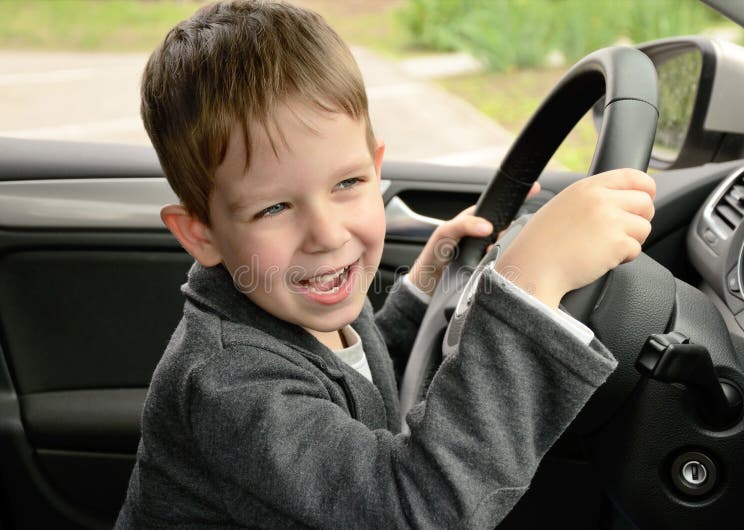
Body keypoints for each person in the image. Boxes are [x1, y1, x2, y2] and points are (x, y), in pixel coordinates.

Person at [116, 1, 656, 528]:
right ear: (201, 234)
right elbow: (415, 509)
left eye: (347, 183)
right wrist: (532, 286)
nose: (327, 235)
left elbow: (369, 383)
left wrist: (429, 279)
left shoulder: (293, 306)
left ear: (376, 168)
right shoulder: (229, 384)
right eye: (273, 208)